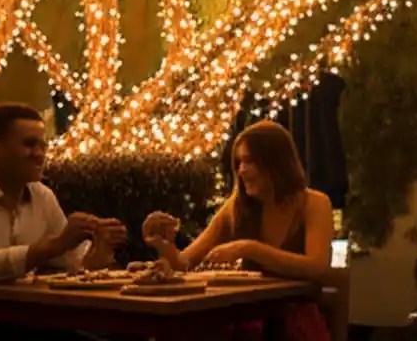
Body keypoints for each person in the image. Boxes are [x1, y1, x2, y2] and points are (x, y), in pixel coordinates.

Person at [0, 103, 127, 330]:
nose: (39, 155)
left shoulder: (41, 195)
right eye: (29, 145)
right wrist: (52, 246)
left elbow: (74, 265)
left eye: (42, 146)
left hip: (20, 321)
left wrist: (102, 248)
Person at [143, 120, 334, 341]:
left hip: (295, 321)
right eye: (238, 162)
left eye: (249, 161)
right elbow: (184, 263)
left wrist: (249, 248)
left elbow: (316, 265)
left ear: (276, 162)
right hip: (245, 318)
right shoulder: (237, 207)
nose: (241, 170)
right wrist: (163, 245)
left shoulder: (314, 203)